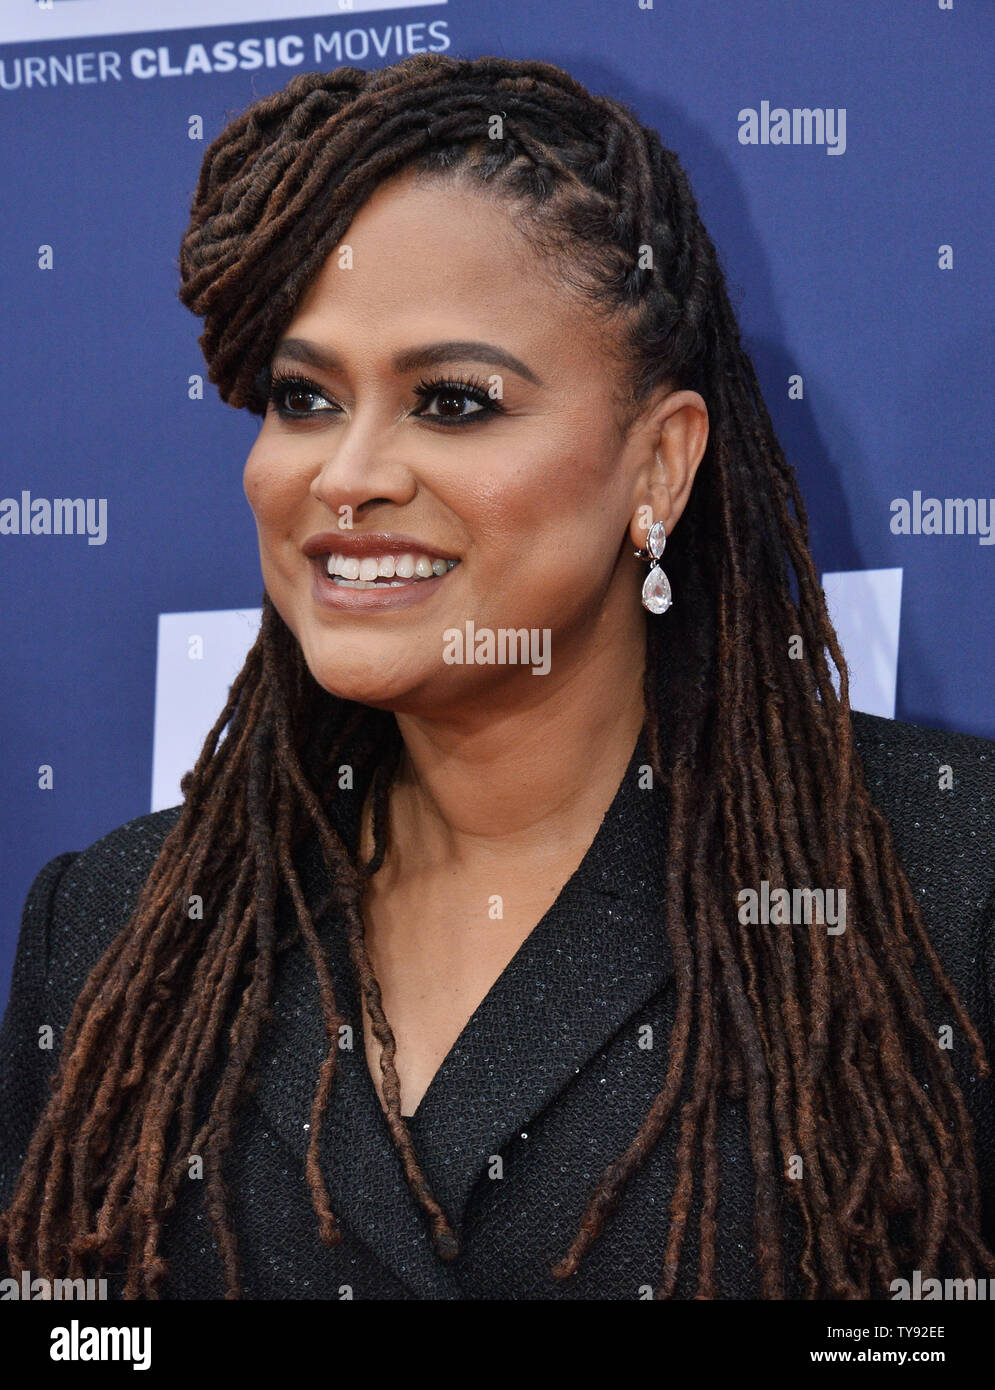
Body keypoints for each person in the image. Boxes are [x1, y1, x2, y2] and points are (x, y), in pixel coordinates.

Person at [1, 53, 993, 1301]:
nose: (344, 473)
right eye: (302, 397)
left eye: (454, 402)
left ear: (658, 469)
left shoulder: (943, 881)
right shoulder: (114, 929)